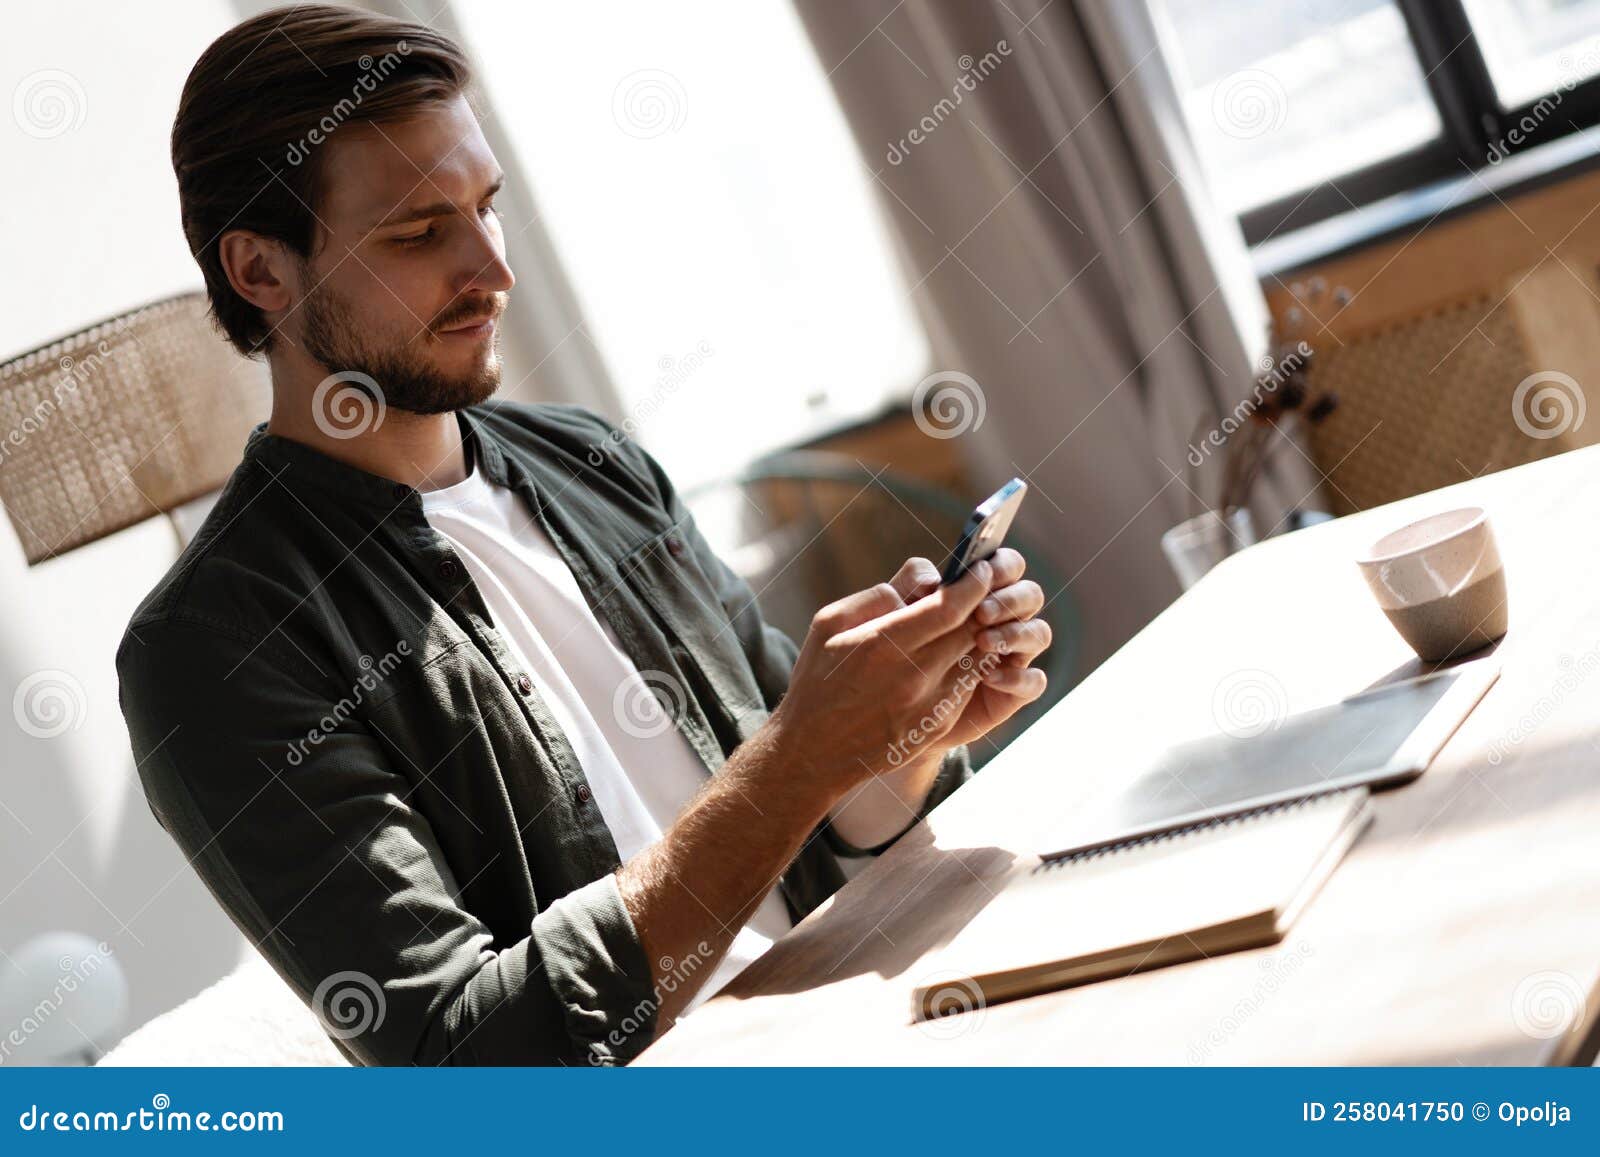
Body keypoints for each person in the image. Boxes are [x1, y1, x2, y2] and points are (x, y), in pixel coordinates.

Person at [116, 4, 1050, 1066]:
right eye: (419, 233)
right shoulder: (215, 645)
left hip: (872, 1018)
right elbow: (465, 1058)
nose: (490, 266)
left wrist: (904, 734)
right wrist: (798, 758)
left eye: (487, 207)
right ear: (262, 273)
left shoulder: (594, 463)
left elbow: (827, 836)